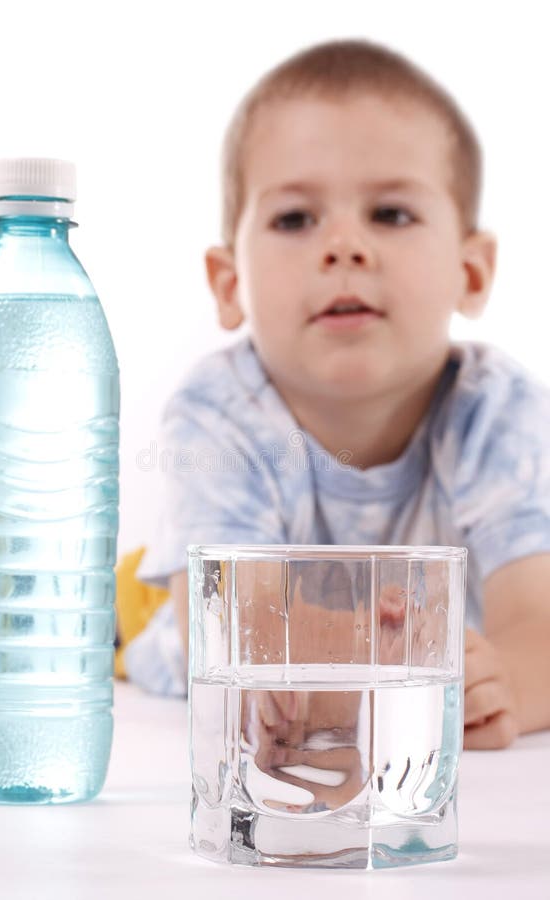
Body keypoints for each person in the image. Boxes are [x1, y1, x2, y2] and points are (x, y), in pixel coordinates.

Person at [128, 39, 550, 750]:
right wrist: (402, 666)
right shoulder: (218, 410)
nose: (345, 246)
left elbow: (537, 623)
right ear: (230, 288)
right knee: (147, 620)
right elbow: (235, 637)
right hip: (170, 643)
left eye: (390, 213)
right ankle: (130, 592)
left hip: (426, 665)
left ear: (471, 274)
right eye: (296, 219)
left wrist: (500, 682)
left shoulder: (495, 410)